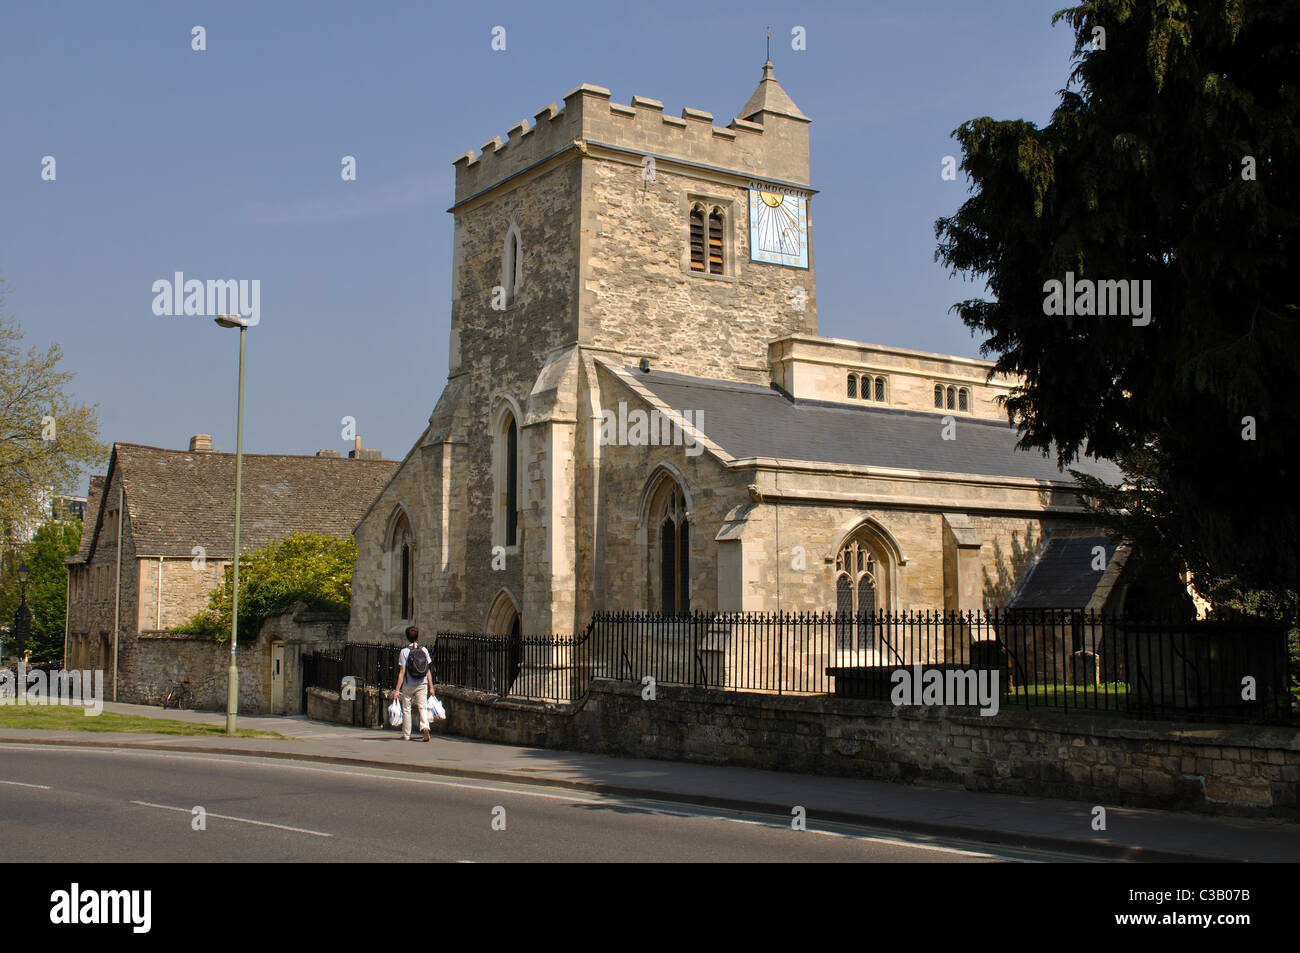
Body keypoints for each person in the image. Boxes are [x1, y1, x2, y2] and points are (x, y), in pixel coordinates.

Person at [392, 626, 433, 741]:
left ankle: (406, 734)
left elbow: (402, 672)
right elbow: (428, 670)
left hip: (408, 684)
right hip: (422, 683)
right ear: (417, 636)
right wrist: (431, 687)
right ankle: (425, 726)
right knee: (423, 707)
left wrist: (397, 690)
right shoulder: (424, 650)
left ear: (407, 637)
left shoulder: (404, 652)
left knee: (406, 709)